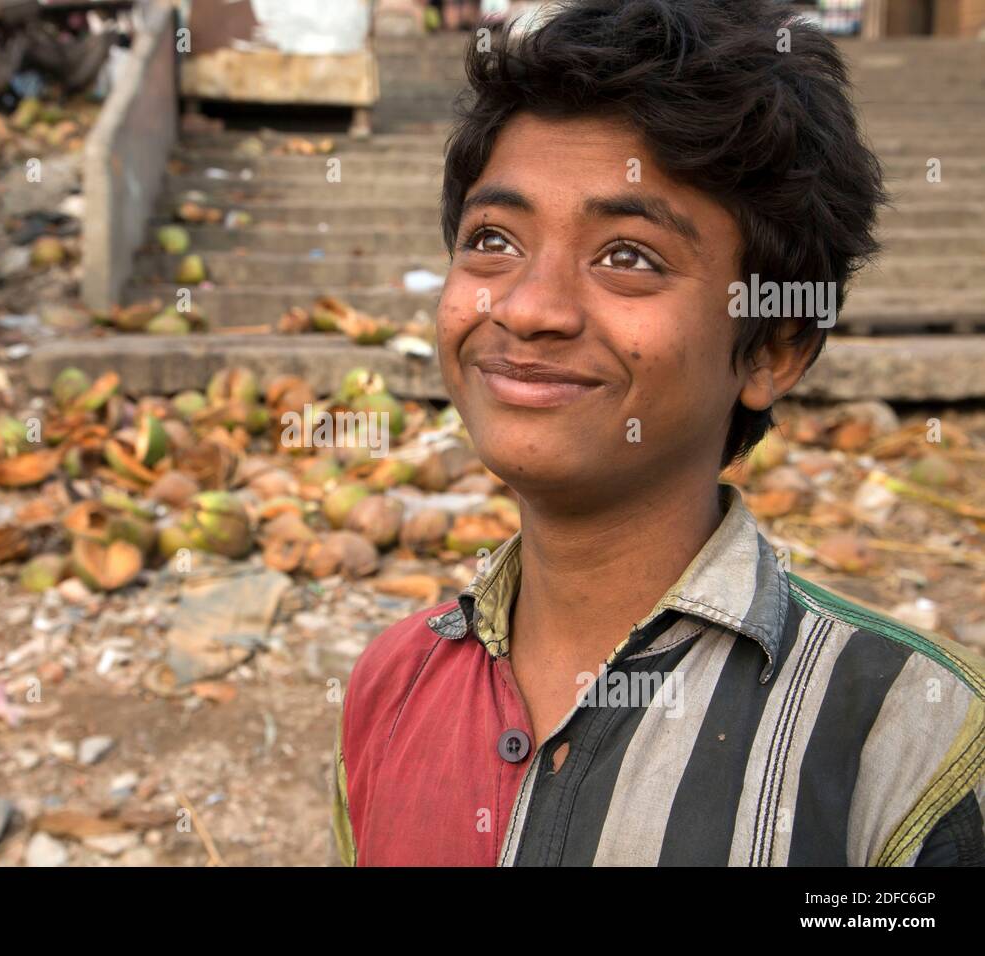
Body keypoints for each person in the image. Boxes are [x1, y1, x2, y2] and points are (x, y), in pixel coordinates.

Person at [331, 0, 985, 866]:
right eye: (492, 240)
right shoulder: (390, 685)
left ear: (775, 345)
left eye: (628, 256)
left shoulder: (911, 734)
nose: (528, 308)